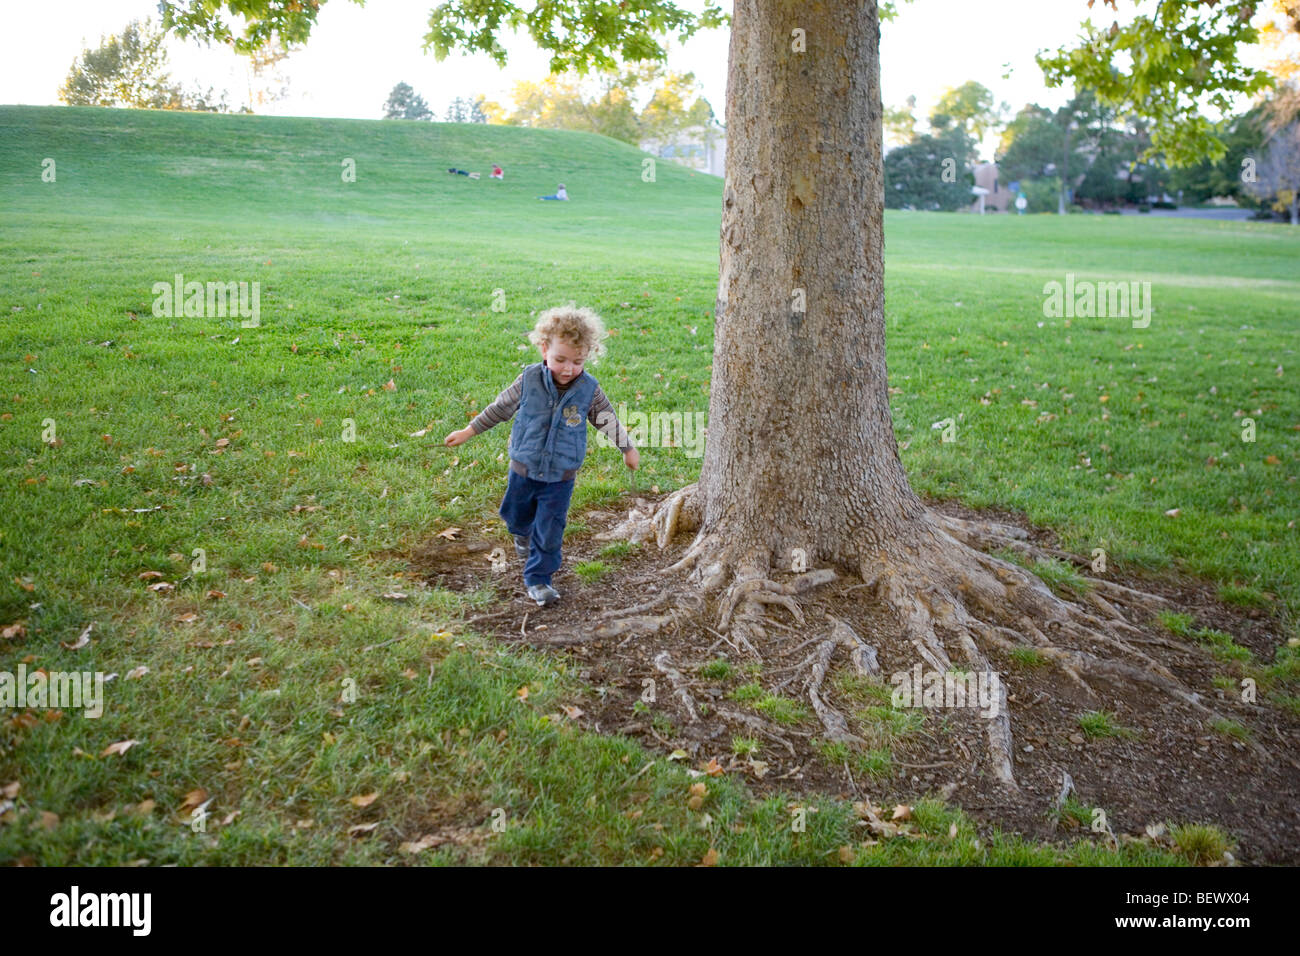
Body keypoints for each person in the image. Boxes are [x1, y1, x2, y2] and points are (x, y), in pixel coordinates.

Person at [443, 304, 639, 606]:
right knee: (515, 516)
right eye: (560, 359)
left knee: (549, 531)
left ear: (588, 356)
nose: (568, 368)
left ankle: (539, 580)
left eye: (577, 361)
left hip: (561, 476)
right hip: (524, 468)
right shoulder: (529, 380)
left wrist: (627, 447)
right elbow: (499, 409)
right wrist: (468, 431)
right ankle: (521, 534)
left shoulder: (589, 389)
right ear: (544, 348)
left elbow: (606, 419)